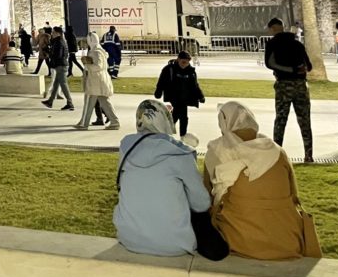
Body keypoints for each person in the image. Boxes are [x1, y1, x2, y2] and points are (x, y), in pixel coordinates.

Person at [203, 101, 313, 260]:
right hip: (287, 239)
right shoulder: (276, 151)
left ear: (224, 122)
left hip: (239, 239)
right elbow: (294, 196)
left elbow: (206, 198)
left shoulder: (217, 151)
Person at [114, 100, 215, 257]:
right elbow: (201, 204)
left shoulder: (126, 147)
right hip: (174, 244)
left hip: (130, 238)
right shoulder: (181, 153)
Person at [264, 17, 313, 163]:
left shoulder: (272, 44)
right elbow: (308, 66)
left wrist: (288, 70)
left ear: (272, 28)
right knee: (305, 121)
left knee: (280, 120)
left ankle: (277, 154)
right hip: (301, 86)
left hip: (284, 85)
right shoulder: (297, 44)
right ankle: (308, 155)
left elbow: (269, 63)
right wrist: (297, 70)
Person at [153, 51, 205, 138]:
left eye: (187, 62)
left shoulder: (190, 71)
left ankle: (168, 132)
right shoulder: (169, 69)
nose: (185, 64)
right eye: (183, 62)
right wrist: (158, 92)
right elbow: (161, 81)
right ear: (178, 60)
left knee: (178, 115)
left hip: (184, 97)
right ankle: (181, 136)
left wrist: (201, 96)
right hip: (173, 96)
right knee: (182, 116)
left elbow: (195, 85)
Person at [75, 33, 120, 130]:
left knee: (89, 102)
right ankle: (114, 122)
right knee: (104, 102)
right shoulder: (100, 51)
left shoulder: (96, 52)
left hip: (96, 80)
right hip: (100, 80)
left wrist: (87, 65)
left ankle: (84, 123)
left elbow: (99, 66)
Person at [40, 27, 73, 111]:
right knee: (55, 84)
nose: (52, 34)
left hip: (61, 65)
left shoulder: (59, 42)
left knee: (63, 84)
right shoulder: (59, 41)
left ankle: (70, 103)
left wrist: (49, 53)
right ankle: (50, 101)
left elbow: (58, 55)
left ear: (58, 33)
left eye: (53, 32)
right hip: (61, 65)